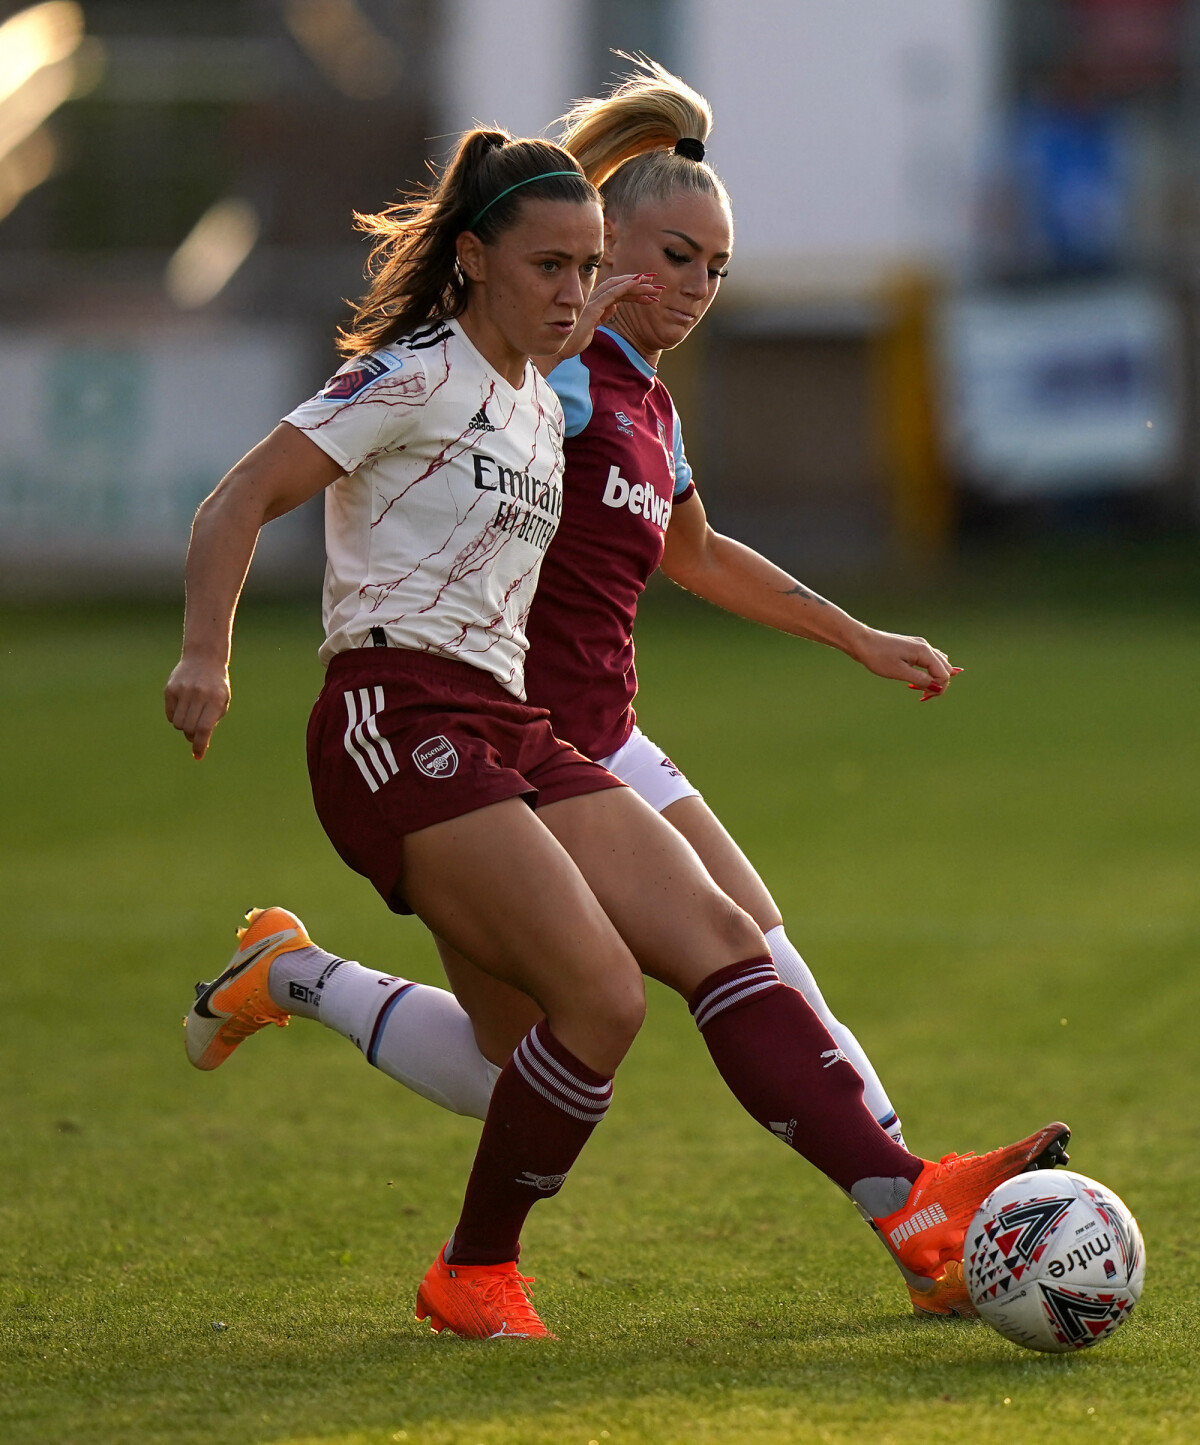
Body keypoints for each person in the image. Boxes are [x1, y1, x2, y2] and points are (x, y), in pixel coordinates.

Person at [166, 125, 1068, 1340]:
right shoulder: (422, 373)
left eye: (593, 270)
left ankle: (908, 1197)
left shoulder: (556, 406)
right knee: (598, 1001)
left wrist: (853, 635)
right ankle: (478, 1269)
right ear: (478, 259)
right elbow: (240, 498)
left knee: (697, 952)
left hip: (529, 732)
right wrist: (206, 655)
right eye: (562, 266)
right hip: (401, 720)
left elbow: (661, 553)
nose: (587, 293)